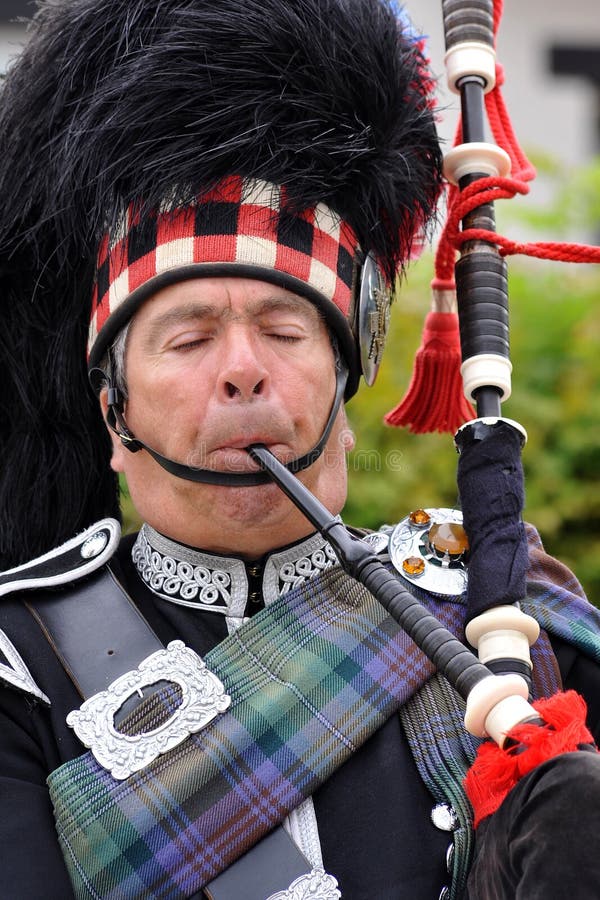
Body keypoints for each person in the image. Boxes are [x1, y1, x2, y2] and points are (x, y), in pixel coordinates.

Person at [0, 1, 599, 898]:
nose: (243, 370)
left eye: (284, 329)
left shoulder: (504, 615)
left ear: (345, 390)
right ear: (112, 414)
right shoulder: (21, 668)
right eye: (189, 337)